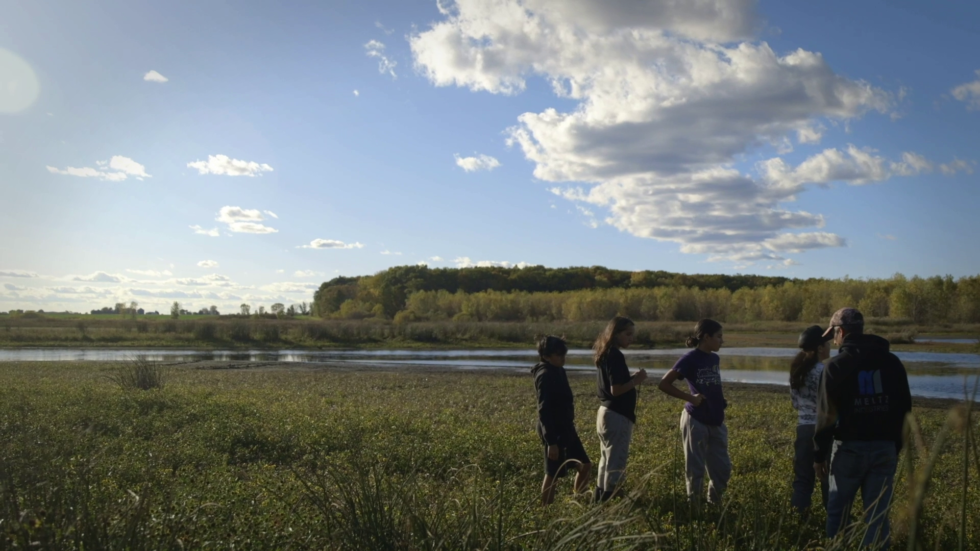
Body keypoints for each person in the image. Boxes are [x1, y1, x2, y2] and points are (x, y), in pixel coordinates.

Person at [813, 308, 912, 550]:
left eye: (834, 334)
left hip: (849, 450)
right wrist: (896, 445)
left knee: (838, 515)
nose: (833, 341)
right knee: (877, 517)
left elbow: (826, 416)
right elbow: (904, 408)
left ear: (841, 331)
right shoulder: (892, 362)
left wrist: (819, 455)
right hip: (885, 449)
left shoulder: (835, 366)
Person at [658, 318, 731, 504]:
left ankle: (714, 504)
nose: (722, 340)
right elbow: (664, 384)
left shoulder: (714, 358)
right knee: (695, 468)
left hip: (716, 419)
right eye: (719, 337)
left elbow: (710, 384)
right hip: (695, 420)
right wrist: (690, 398)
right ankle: (695, 508)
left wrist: (719, 400)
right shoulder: (689, 358)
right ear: (706, 337)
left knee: (722, 469)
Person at [532, 335, 591, 506]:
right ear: (546, 356)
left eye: (564, 354)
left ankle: (577, 501)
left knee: (585, 465)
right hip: (552, 430)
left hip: (566, 428)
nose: (563, 359)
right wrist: (551, 442)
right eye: (559, 355)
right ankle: (545, 511)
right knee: (552, 473)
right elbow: (544, 410)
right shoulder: (544, 374)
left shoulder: (558, 369)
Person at [593, 316, 647, 502]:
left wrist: (629, 379)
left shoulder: (605, 352)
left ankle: (598, 498)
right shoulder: (615, 355)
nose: (631, 338)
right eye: (628, 334)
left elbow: (613, 385)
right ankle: (612, 503)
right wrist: (636, 381)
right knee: (616, 462)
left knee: (605, 459)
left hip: (605, 412)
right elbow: (616, 390)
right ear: (615, 334)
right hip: (617, 415)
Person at [790, 325, 832, 515]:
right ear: (820, 348)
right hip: (823, 429)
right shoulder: (824, 371)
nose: (830, 347)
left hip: (804, 428)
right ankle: (833, 521)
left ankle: (799, 520)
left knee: (802, 478)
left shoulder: (797, 371)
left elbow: (795, 403)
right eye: (827, 344)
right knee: (828, 478)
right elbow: (831, 404)